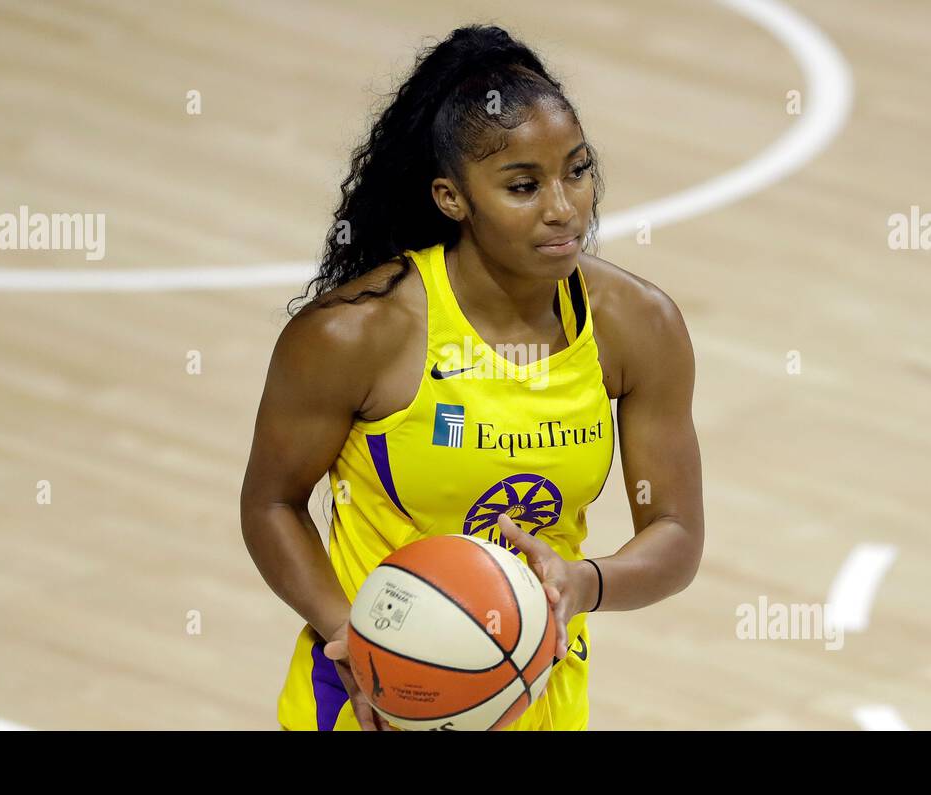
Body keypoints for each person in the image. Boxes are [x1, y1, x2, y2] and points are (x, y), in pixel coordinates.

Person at [240, 23, 703, 731]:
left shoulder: (639, 325)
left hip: (539, 702)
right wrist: (357, 641)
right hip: (366, 708)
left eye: (577, 171)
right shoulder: (357, 334)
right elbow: (272, 504)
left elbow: (674, 530)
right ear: (452, 198)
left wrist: (587, 581)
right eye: (523, 186)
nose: (564, 207)